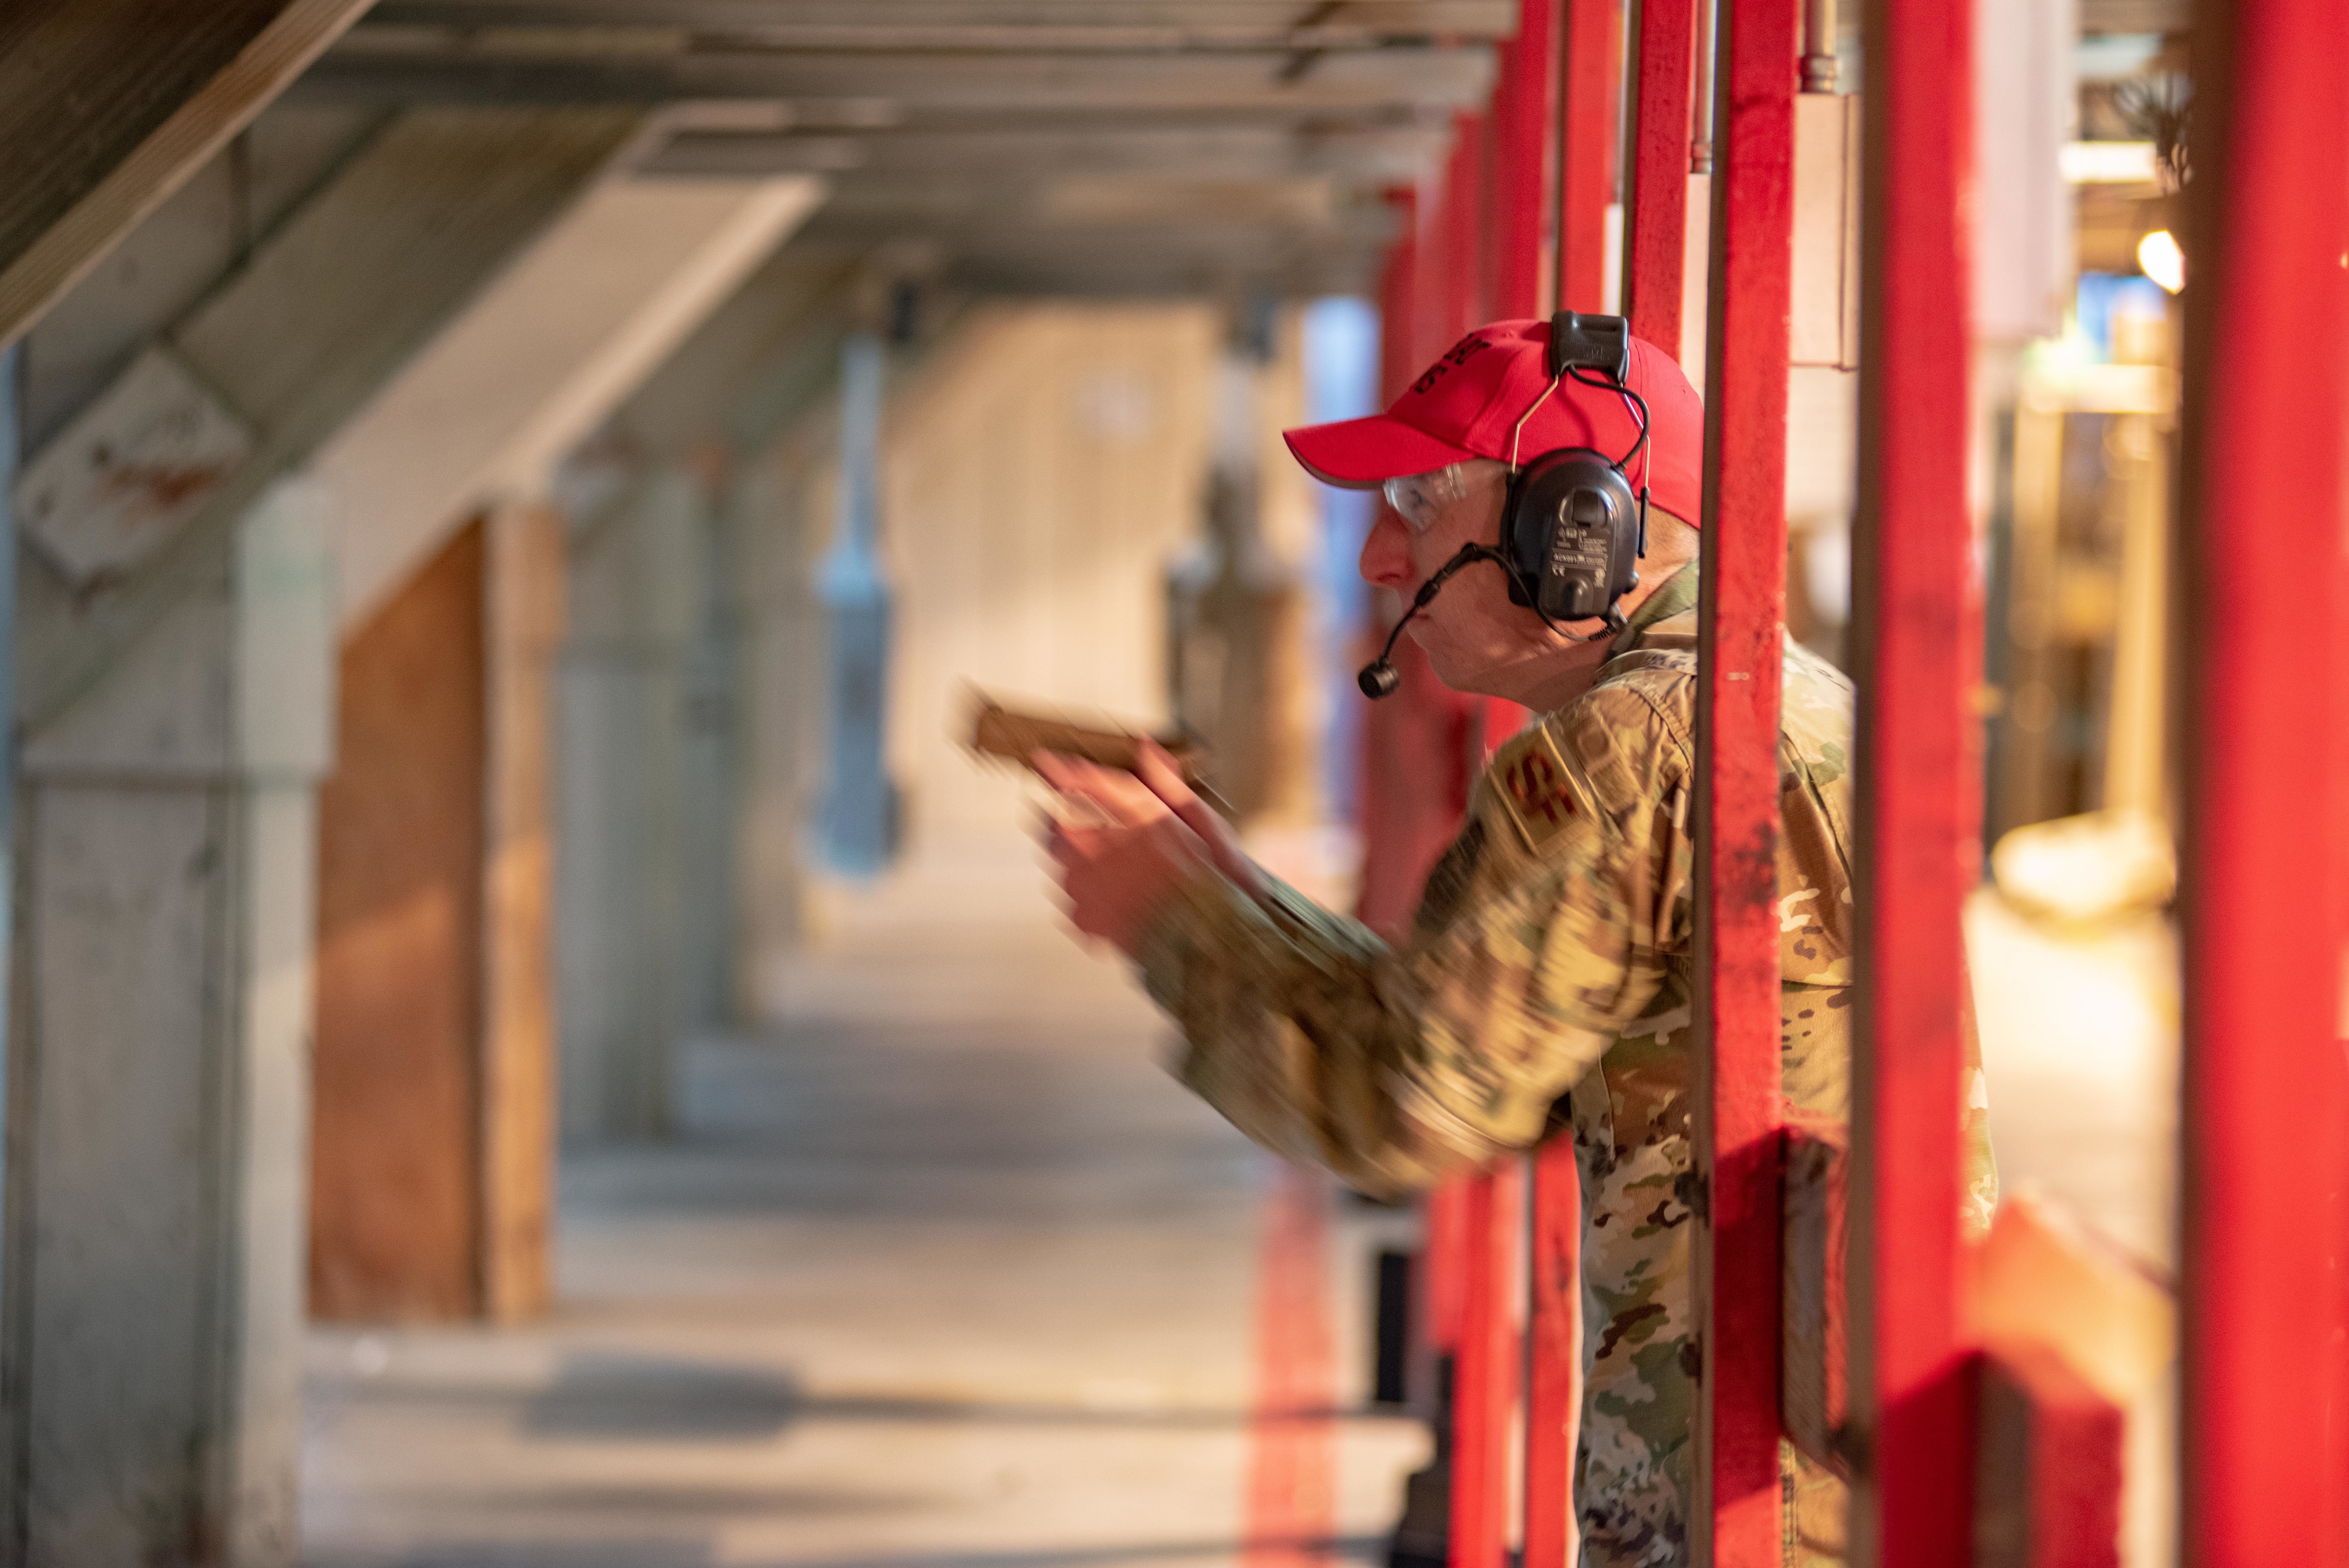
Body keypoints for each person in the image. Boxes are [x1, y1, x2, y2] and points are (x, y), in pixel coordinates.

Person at [1037, 317, 1995, 1568]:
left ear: (1575, 534)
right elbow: (1482, 1028)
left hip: (1737, 1499)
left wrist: (1168, 925)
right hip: (1830, 1474)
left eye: (1418, 509)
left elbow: (1405, 1098)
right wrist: (1224, 889)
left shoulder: (1619, 754)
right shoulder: (1777, 701)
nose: (1382, 559)